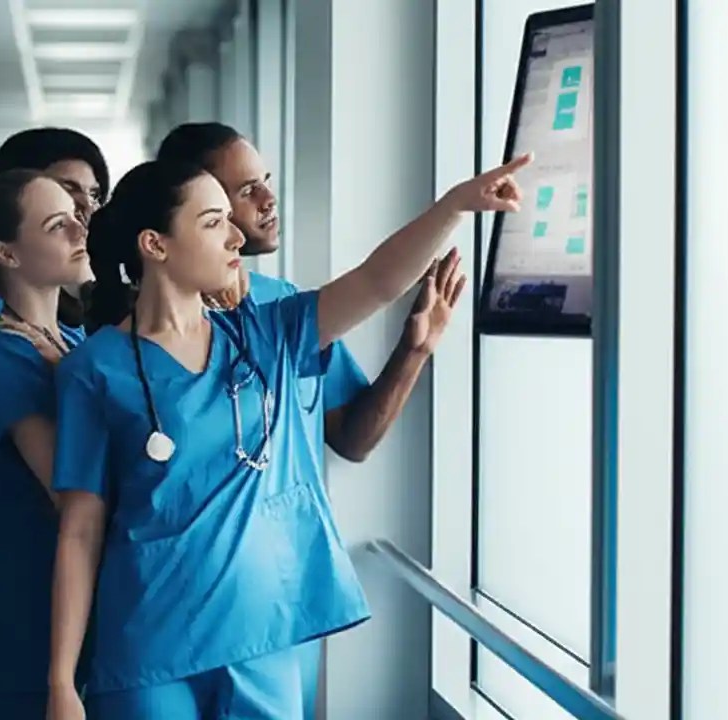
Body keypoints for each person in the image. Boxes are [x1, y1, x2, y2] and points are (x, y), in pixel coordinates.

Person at [47, 154, 529, 719]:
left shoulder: (268, 333)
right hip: (150, 645)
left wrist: (455, 206)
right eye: (212, 222)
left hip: (264, 638)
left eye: (231, 218)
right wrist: (60, 681)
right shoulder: (95, 369)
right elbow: (80, 531)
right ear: (155, 245)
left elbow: (377, 281)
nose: (234, 235)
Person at [156, 120, 467, 716]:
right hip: (180, 606)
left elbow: (351, 437)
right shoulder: (137, 339)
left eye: (265, 181)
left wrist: (415, 348)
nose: (269, 200)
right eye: (246, 190)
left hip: (281, 601)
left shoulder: (283, 308)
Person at [0, 168, 89, 718]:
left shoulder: (75, 342)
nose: (79, 233)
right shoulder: (2, 350)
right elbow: (69, 487)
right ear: (7, 253)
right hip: (22, 625)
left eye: (78, 219)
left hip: (80, 621)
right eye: (58, 225)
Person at [0, 127, 109, 499]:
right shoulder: (2, 342)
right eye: (58, 220)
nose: (83, 221)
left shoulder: (72, 335)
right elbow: (73, 493)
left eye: (93, 195)